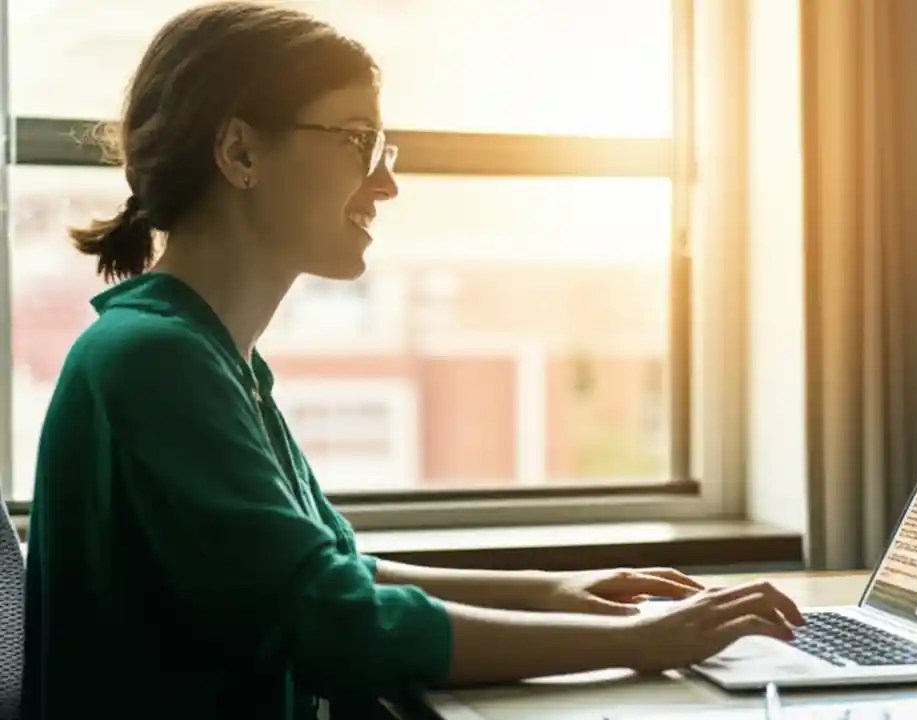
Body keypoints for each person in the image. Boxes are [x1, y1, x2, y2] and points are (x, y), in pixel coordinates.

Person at [20, 3, 802, 719]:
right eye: (359, 142)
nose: (388, 183)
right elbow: (334, 622)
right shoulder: (155, 362)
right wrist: (640, 642)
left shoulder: (207, 356)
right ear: (239, 151)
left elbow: (331, 570)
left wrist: (552, 592)